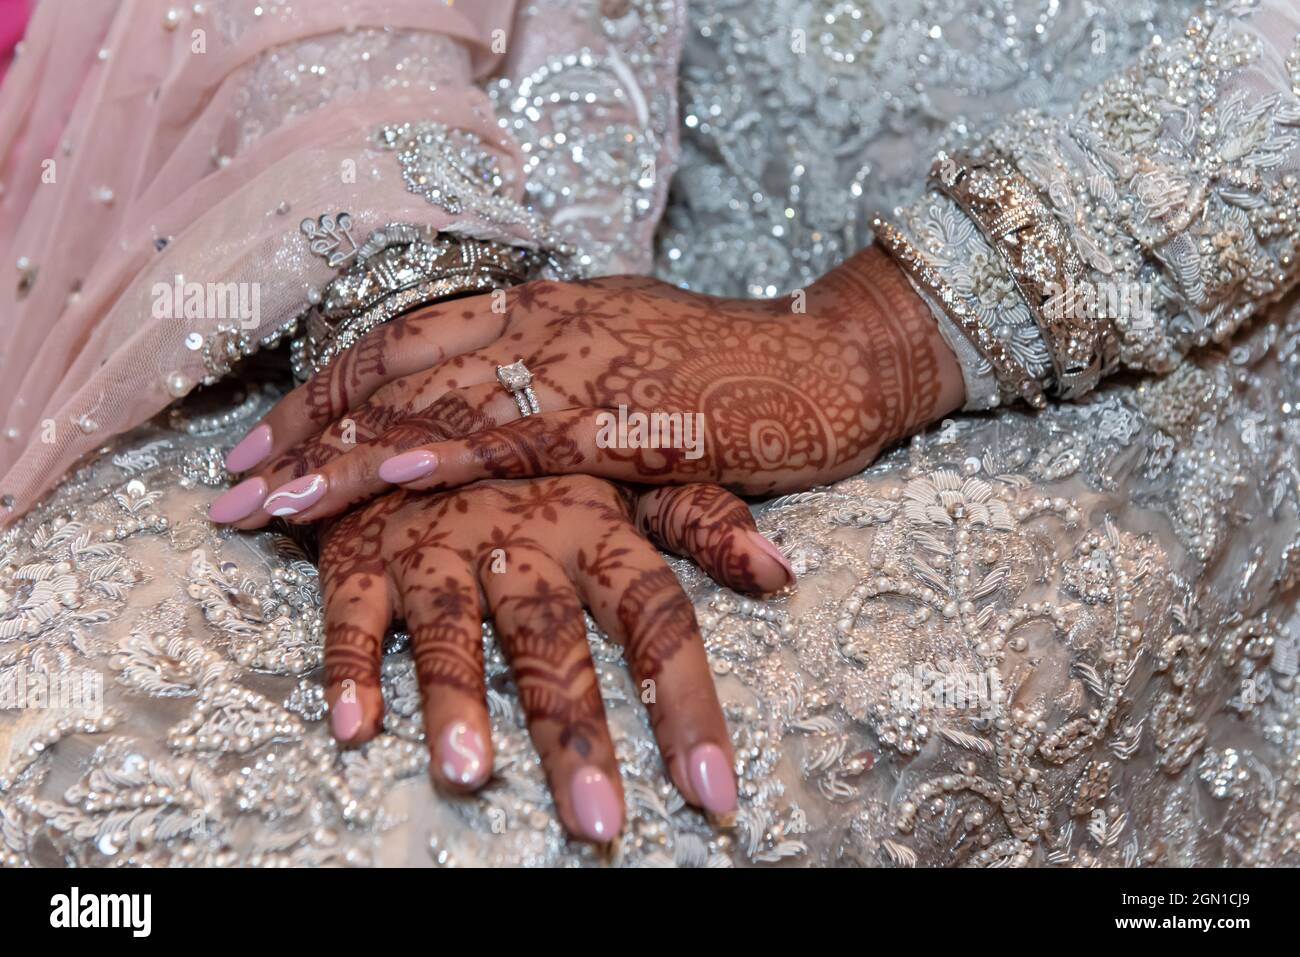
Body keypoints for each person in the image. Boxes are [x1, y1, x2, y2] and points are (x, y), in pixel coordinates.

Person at [1, 0, 1298, 867]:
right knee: (53, 703)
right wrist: (432, 308)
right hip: (499, 209)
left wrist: (884, 333)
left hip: (1113, 339)